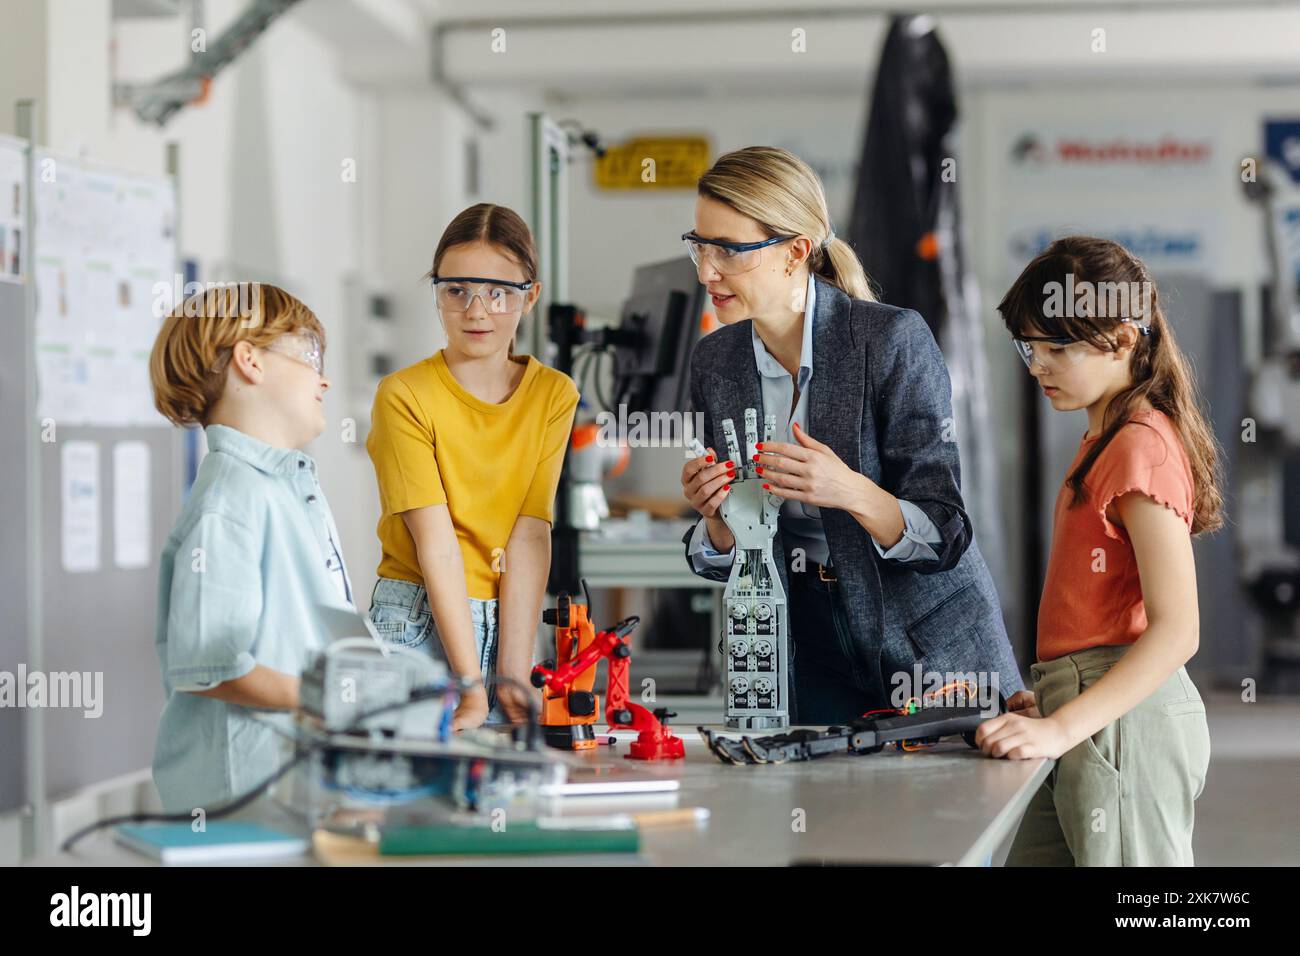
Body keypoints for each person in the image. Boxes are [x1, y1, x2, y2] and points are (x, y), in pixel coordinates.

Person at [679, 146, 1022, 723]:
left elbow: (946, 533)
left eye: (730, 250)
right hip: (803, 641)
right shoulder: (716, 362)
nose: (708, 271)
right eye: (700, 246)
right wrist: (716, 519)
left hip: (922, 641)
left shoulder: (891, 341)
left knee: (945, 811)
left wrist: (848, 489)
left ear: (795, 252)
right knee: (822, 808)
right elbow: (729, 552)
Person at [982, 236, 1217, 866]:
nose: (1037, 365)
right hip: (1088, 711)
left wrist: (1064, 722)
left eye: (1056, 347)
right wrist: (1059, 695)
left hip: (1125, 726)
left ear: (1119, 338)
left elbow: (1179, 630)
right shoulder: (1104, 438)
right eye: (1028, 347)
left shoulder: (1140, 444)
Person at [366, 203, 579, 730]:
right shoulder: (404, 395)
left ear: (531, 296)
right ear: (437, 294)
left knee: (504, 792)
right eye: (456, 290)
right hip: (418, 618)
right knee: (416, 797)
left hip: (505, 618)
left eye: (498, 292)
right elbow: (434, 544)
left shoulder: (554, 394)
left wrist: (511, 667)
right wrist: (470, 687)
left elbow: (530, 531)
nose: (476, 311)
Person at [148, 283, 352, 813]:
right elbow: (211, 665)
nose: (324, 377)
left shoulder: (282, 487)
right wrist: (333, 699)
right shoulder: (232, 498)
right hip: (241, 797)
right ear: (249, 362)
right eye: (310, 354)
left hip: (289, 782)